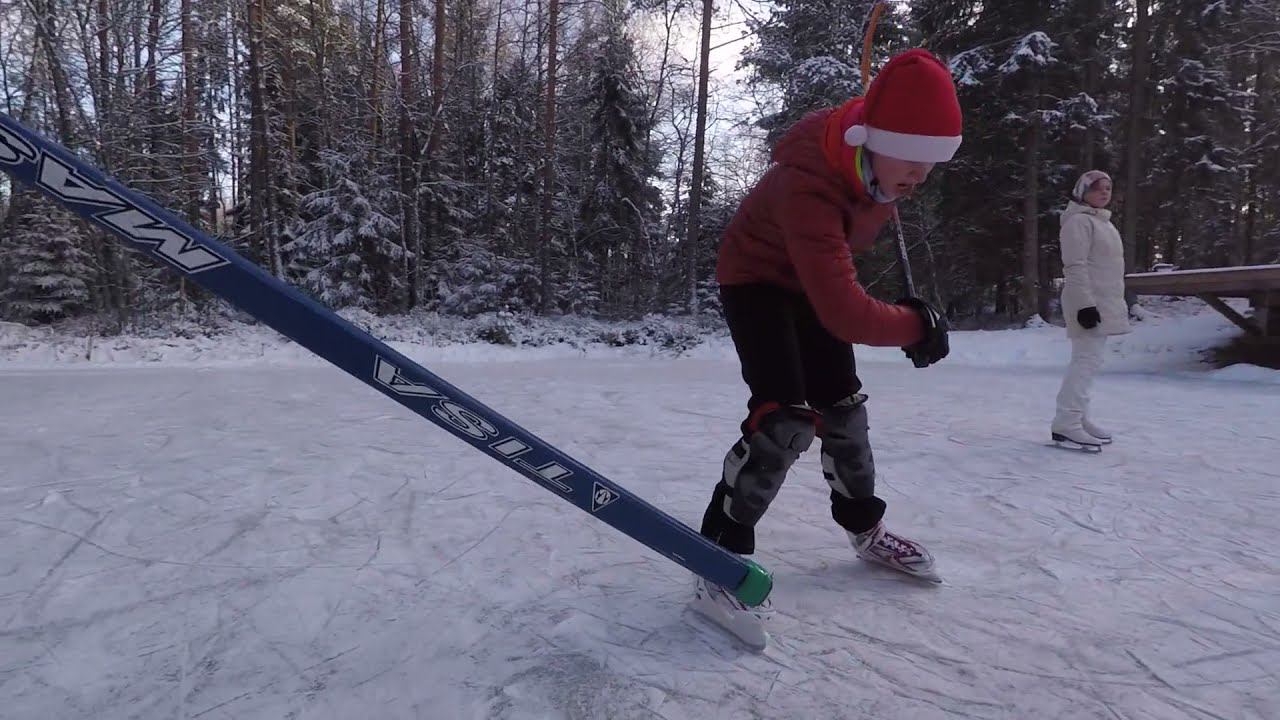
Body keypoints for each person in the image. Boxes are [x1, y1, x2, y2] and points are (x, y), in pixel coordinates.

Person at [690, 49, 960, 648]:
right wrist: (915, 324)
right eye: (912, 160)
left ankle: (866, 531)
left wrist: (903, 316)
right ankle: (718, 555)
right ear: (875, 139)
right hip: (757, 281)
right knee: (784, 421)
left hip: (806, 285)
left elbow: (834, 278)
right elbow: (843, 308)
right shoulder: (806, 186)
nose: (920, 176)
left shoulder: (877, 167)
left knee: (843, 411)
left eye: (933, 163)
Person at [1051, 170, 1131, 451]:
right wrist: (1085, 305)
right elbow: (1075, 266)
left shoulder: (1101, 222)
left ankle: (1078, 418)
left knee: (1089, 362)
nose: (1104, 192)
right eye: (1098, 188)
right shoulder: (1078, 223)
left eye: (1108, 188)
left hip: (1102, 302)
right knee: (1085, 362)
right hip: (1087, 303)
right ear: (1082, 191)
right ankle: (1067, 422)